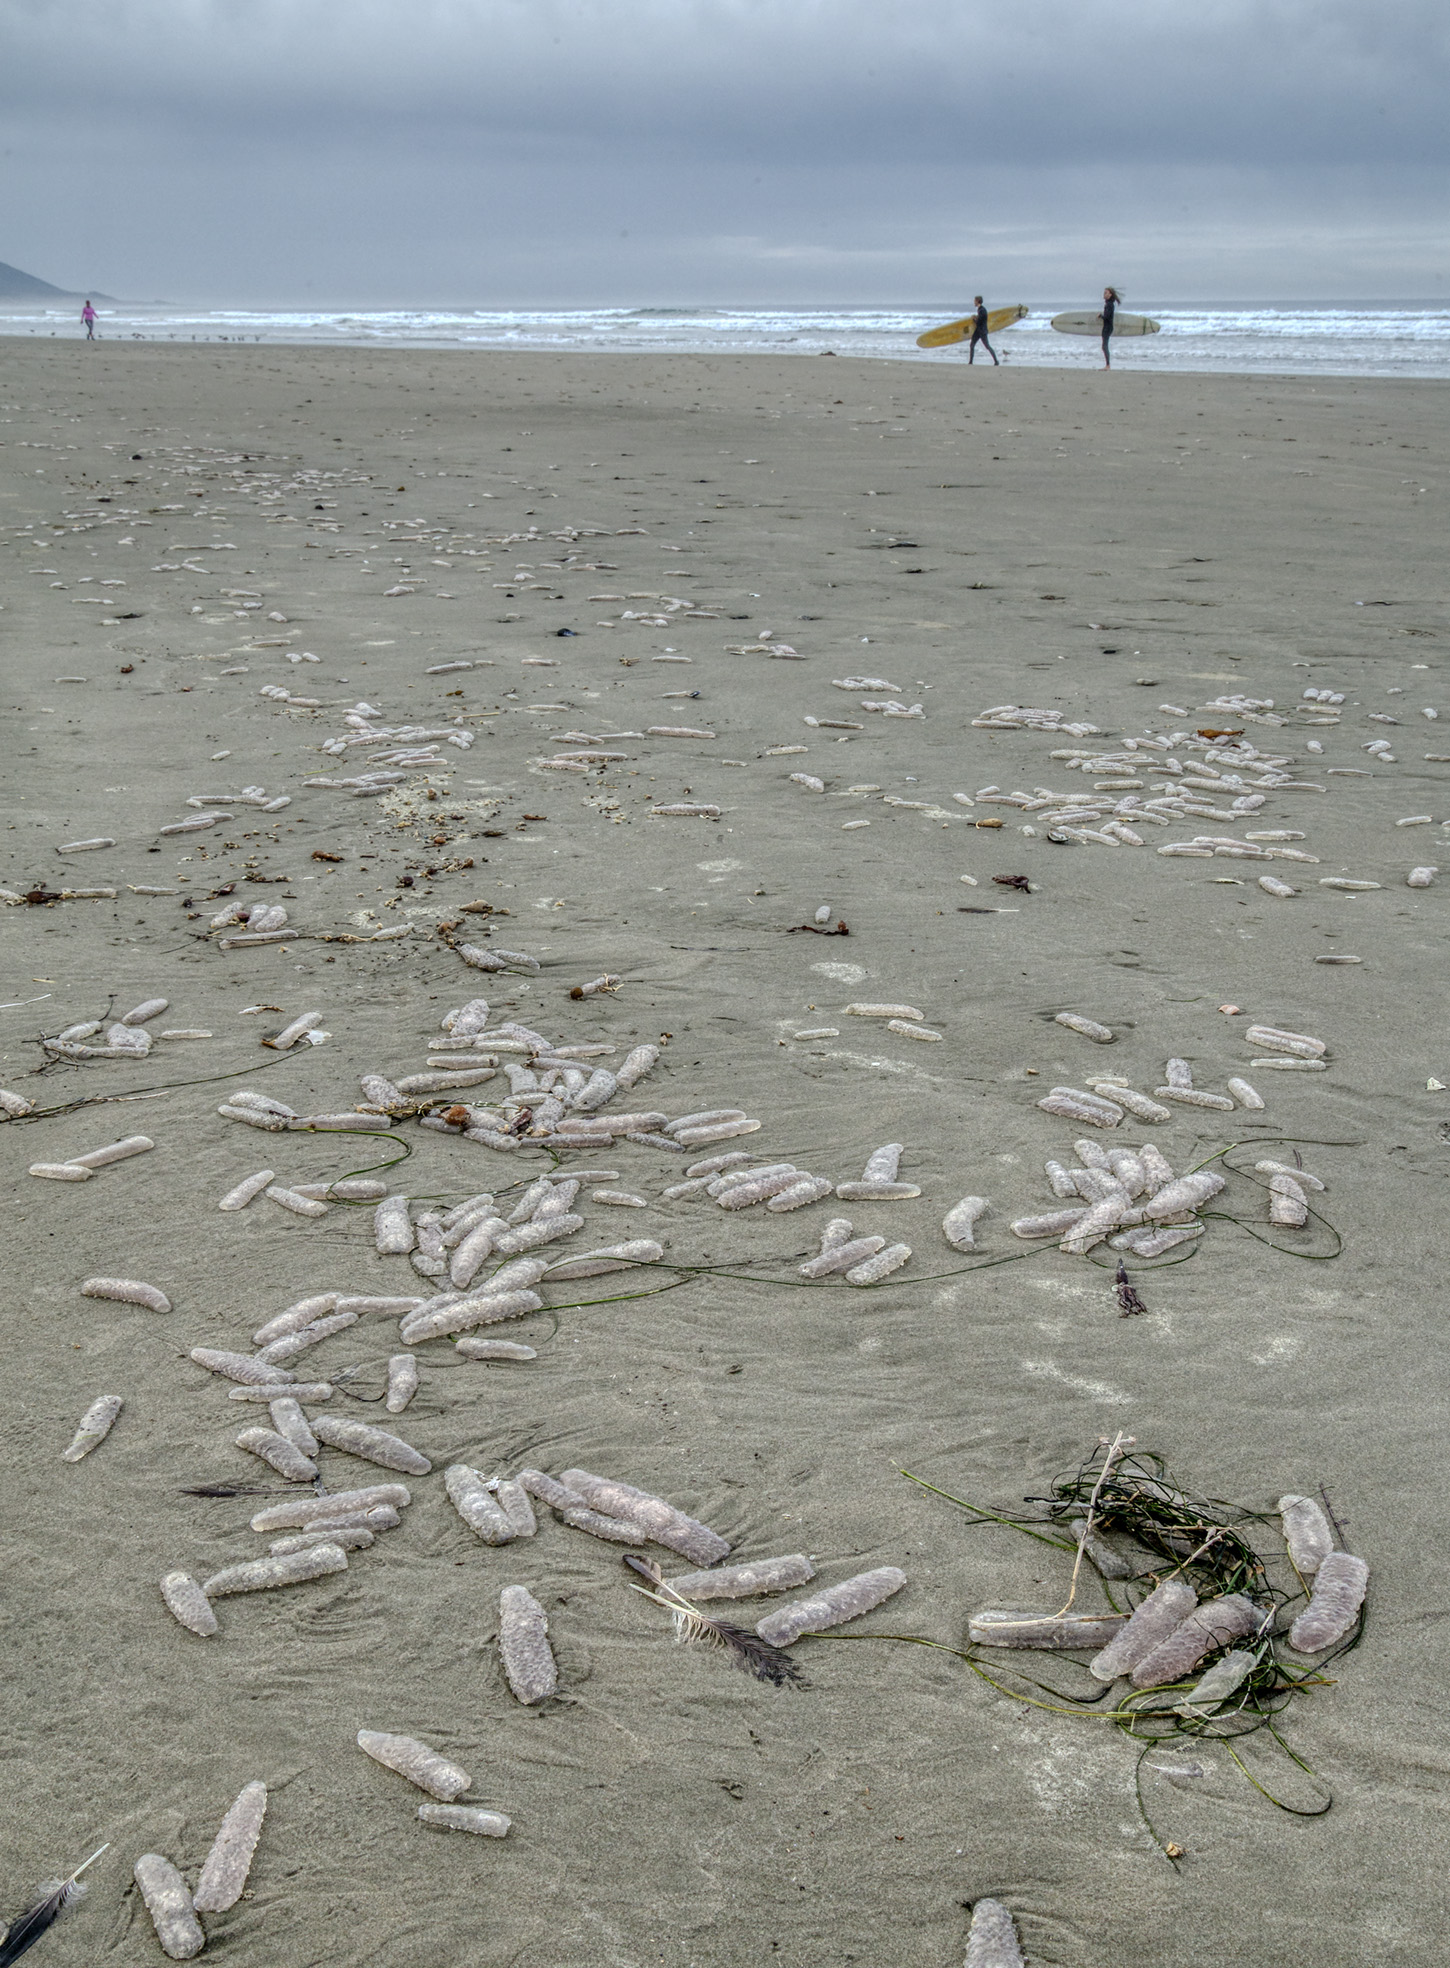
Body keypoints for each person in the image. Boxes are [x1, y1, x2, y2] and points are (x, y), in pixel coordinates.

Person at [968, 296, 998, 366]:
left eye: (975, 301)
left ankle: (996, 361)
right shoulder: (980, 310)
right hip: (978, 331)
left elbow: (979, 322)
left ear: (978, 301)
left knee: (987, 346)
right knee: (972, 345)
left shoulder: (982, 310)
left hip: (982, 331)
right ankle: (970, 362)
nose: (974, 302)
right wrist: (976, 317)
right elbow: (980, 319)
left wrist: (974, 319)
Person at [1100, 287, 1119, 368]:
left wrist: (1100, 316)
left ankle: (1108, 365)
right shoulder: (1109, 304)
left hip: (1107, 328)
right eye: (1104, 292)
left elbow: (1107, 317)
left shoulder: (1109, 304)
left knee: (1104, 346)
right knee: (1104, 346)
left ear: (1110, 295)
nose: (1104, 294)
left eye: (1106, 293)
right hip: (1108, 327)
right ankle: (1107, 365)